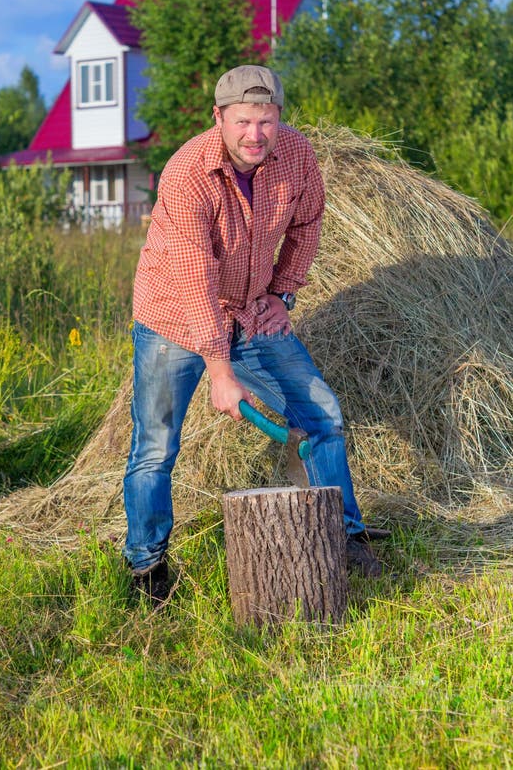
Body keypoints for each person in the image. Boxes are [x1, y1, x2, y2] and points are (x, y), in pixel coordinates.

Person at [123, 65, 387, 602]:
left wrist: (283, 294)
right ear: (218, 117)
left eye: (266, 121)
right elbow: (194, 275)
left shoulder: (295, 154)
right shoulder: (187, 174)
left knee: (321, 417)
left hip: (251, 311)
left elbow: (308, 221)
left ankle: (344, 536)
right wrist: (219, 371)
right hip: (174, 317)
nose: (255, 135)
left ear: (279, 118)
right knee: (155, 448)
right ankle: (146, 565)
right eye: (243, 121)